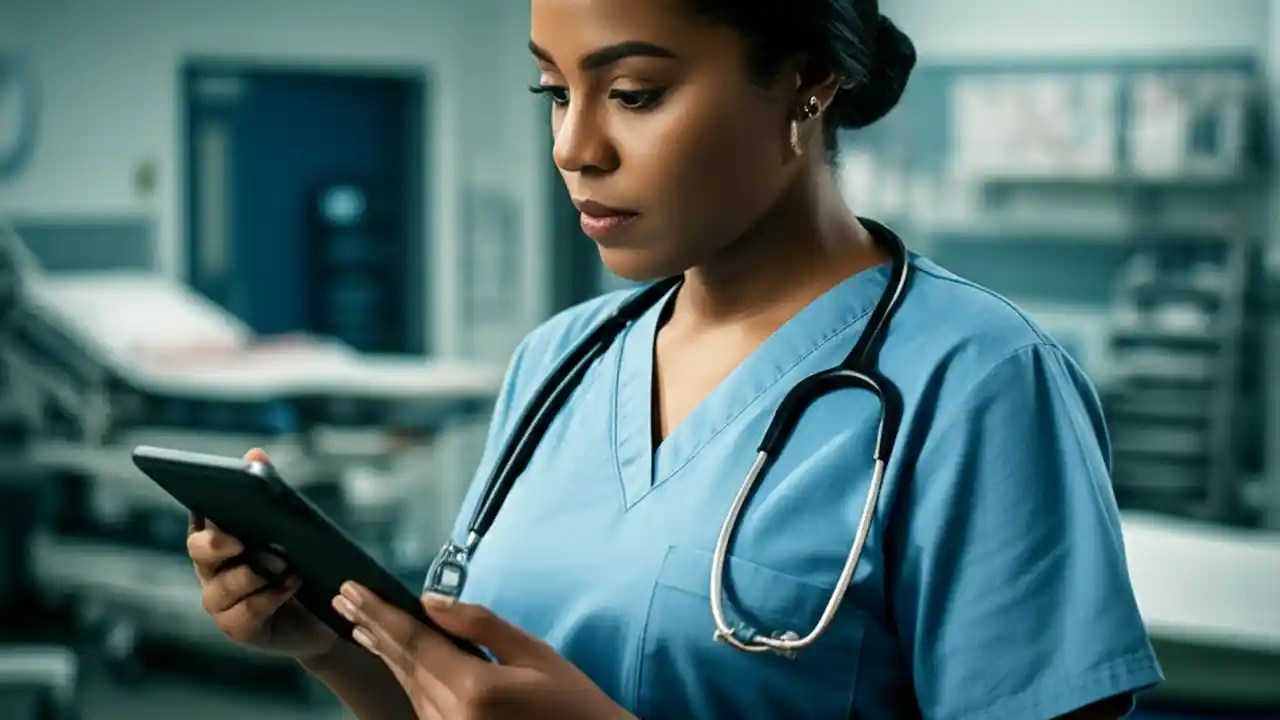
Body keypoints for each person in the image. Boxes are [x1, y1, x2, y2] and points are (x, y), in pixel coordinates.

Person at [186, 0, 1165, 717]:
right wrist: (333, 647)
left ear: (806, 79)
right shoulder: (556, 364)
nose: (573, 146)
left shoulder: (976, 382)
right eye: (552, 92)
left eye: (632, 92)